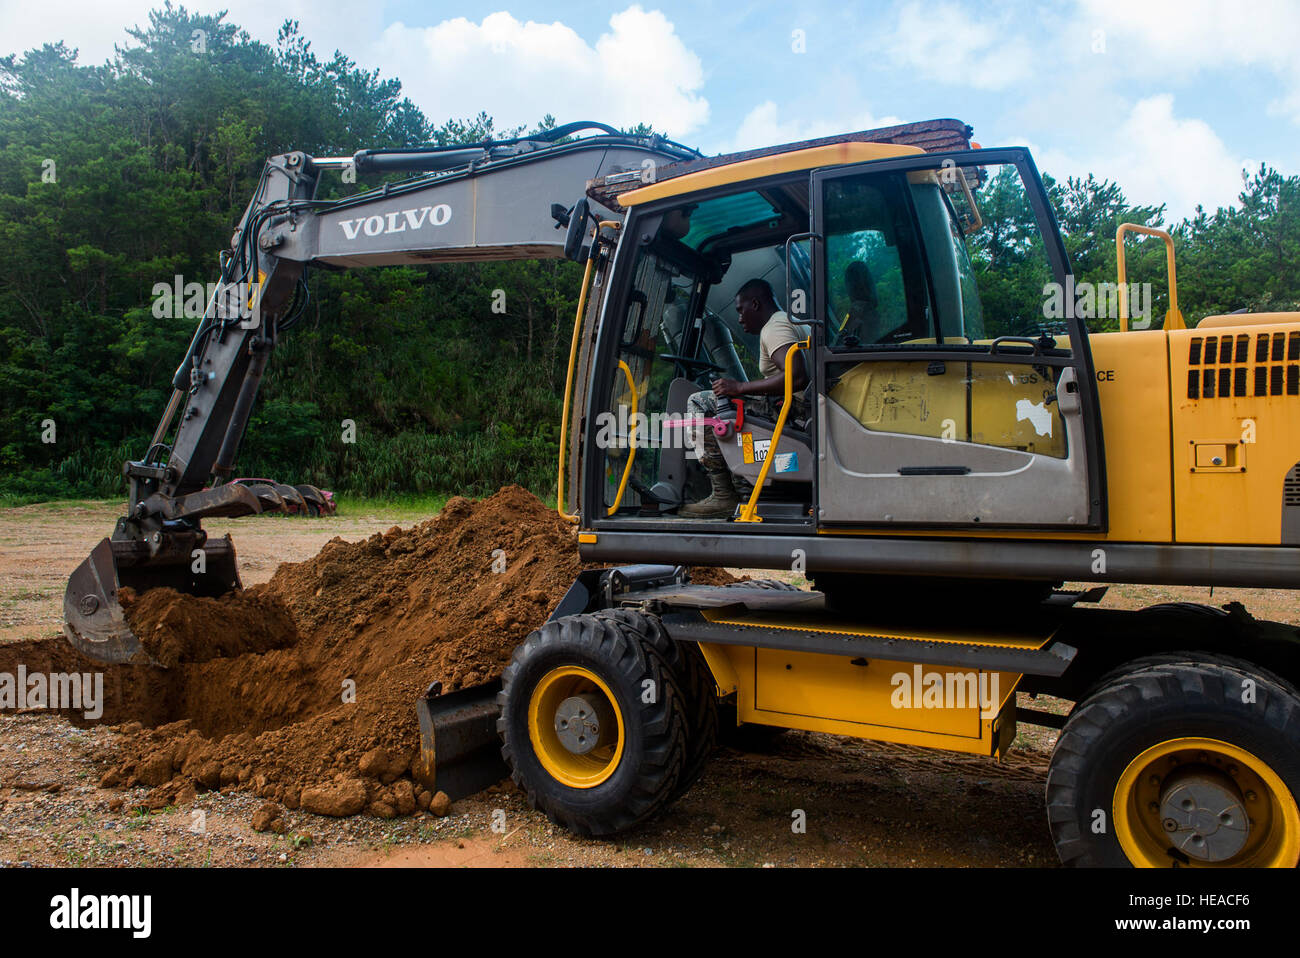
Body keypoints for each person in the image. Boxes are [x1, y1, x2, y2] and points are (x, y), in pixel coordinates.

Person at [680, 278, 810, 518]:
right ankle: (742, 486)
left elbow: (797, 376)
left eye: (741, 310)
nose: (739, 318)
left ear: (756, 304)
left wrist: (739, 387)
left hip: (795, 411)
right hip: (805, 408)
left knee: (699, 402)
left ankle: (724, 494)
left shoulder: (774, 328)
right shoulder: (794, 321)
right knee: (727, 403)